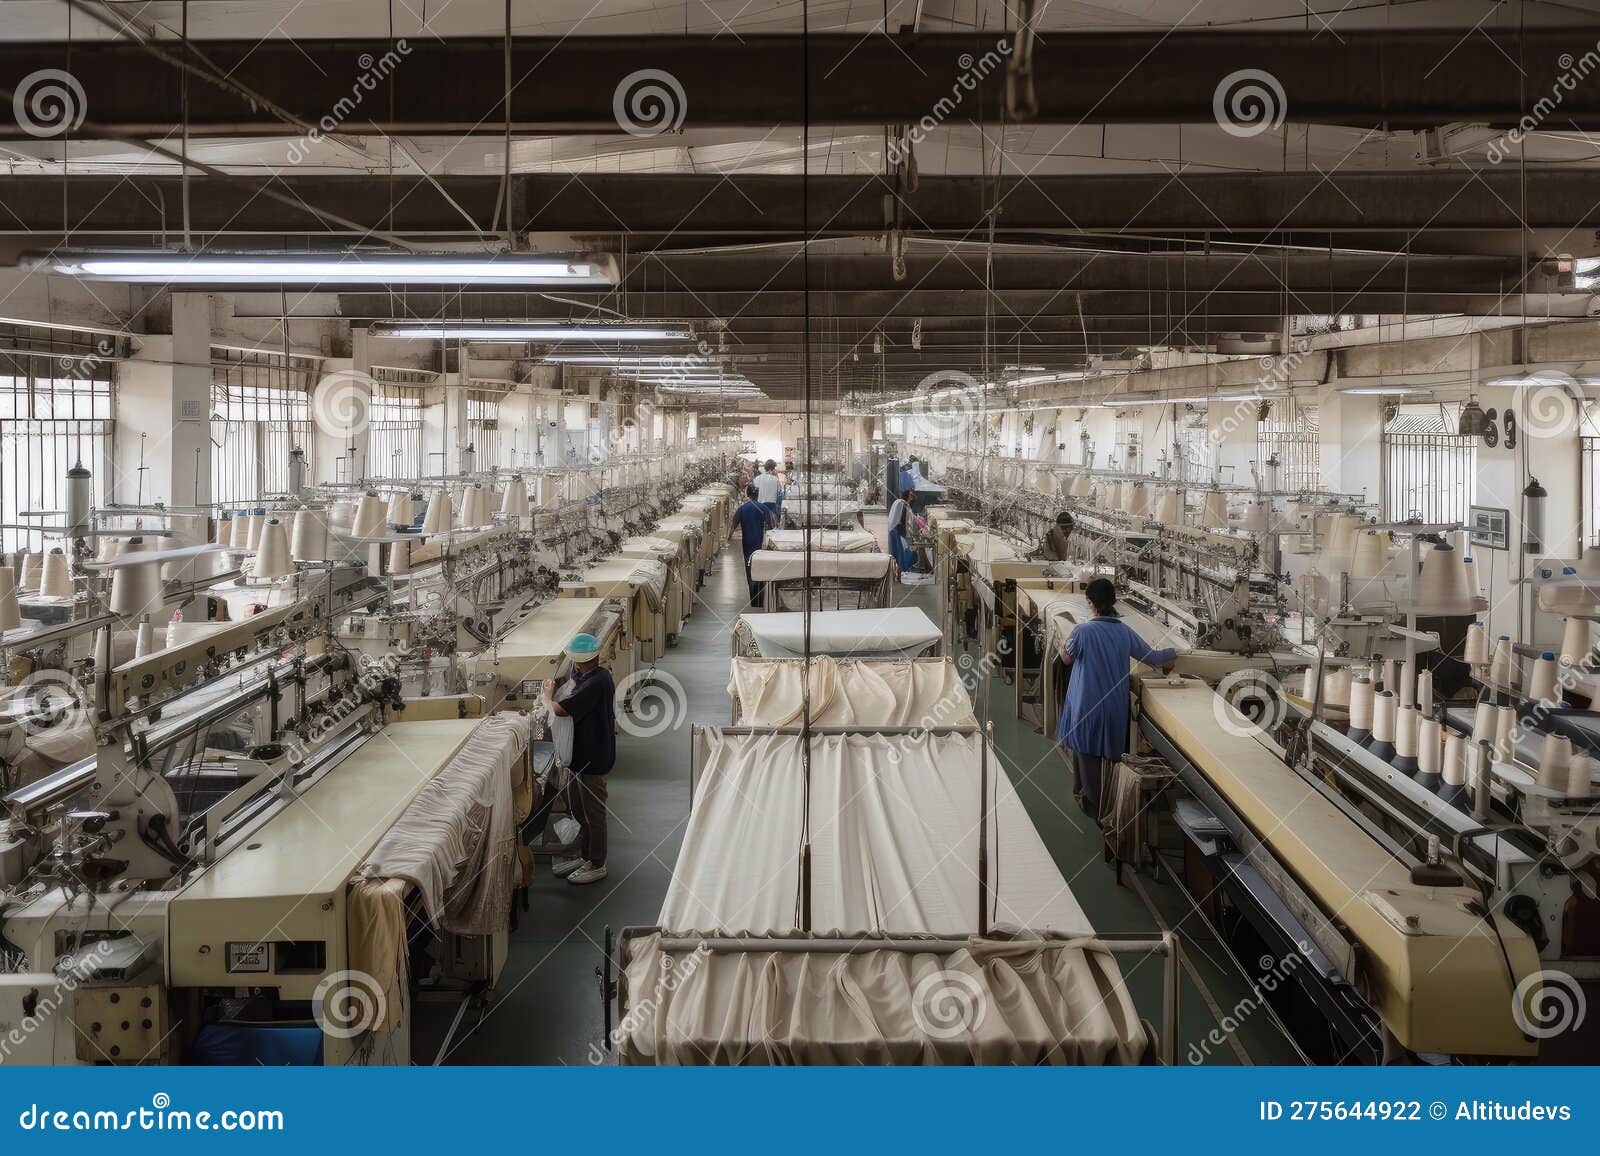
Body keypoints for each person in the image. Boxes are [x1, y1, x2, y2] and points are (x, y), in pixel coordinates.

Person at [1056, 577, 1177, 821]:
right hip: (1114, 709)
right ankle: (1113, 805)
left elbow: (1065, 659)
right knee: (1111, 763)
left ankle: (1099, 812)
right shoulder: (1124, 632)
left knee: (1087, 763)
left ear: (1091, 603)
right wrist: (1178, 653)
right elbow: (1153, 657)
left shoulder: (1082, 631)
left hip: (1086, 709)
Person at [544, 633, 617, 885]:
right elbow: (569, 684)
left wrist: (545, 698)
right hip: (580, 757)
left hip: (593, 758)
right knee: (578, 808)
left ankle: (597, 863)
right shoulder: (586, 675)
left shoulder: (597, 681)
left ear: (581, 660)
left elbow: (562, 709)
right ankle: (586, 855)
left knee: (593, 813)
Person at [730, 483, 776, 605]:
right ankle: (760, 599)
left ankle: (753, 599)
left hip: (747, 544)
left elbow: (733, 524)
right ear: (757, 494)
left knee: (749, 568)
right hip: (761, 544)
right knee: (761, 569)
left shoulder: (742, 508)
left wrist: (728, 538)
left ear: (748, 494)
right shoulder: (764, 508)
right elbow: (771, 526)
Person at [887, 486, 921, 578]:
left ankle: (897, 572)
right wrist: (908, 534)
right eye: (911, 494)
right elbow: (903, 520)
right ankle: (901, 572)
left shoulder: (900, 502)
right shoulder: (904, 504)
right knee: (902, 553)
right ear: (908, 495)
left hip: (894, 531)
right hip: (899, 531)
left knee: (896, 553)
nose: (913, 496)